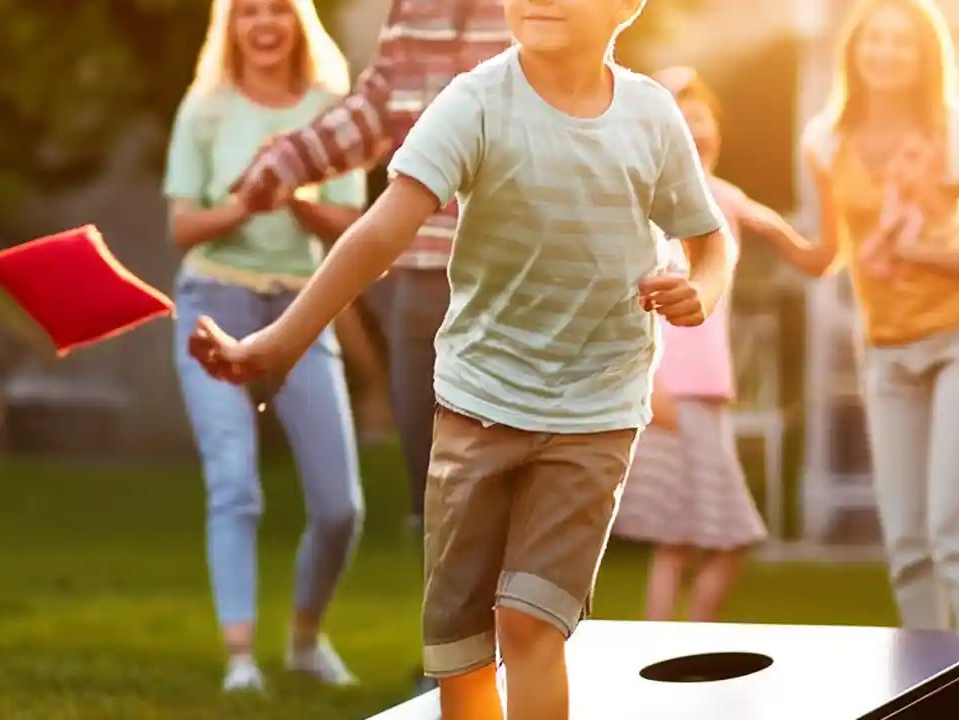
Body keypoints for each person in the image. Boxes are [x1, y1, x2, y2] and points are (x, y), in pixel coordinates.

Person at [189, 0, 739, 715]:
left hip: (596, 411)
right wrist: (280, 342)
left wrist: (701, 286)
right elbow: (378, 234)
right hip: (480, 406)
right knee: (463, 647)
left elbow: (710, 238)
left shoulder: (651, 115)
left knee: (532, 621)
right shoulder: (475, 101)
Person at [751, 0, 959, 634]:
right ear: (855, 51)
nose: (887, 53)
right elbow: (827, 254)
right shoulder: (827, 138)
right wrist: (761, 223)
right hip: (889, 349)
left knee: (956, 531)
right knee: (905, 542)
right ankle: (933, 694)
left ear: (927, 55)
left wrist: (915, 249)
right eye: (876, 40)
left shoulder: (958, 131)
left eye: (903, 42)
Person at [230, 0, 511, 534]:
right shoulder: (411, 9)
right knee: (433, 491)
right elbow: (375, 108)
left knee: (516, 488)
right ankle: (461, 609)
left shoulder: (538, 11)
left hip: (518, 278)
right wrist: (287, 163)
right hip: (426, 276)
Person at [163, 0, 365, 693]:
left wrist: (294, 191)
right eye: (248, 11)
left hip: (303, 312)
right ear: (233, 26)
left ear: (299, 20)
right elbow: (183, 228)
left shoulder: (333, 108)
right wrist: (248, 201)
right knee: (234, 485)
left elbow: (355, 224)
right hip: (212, 303)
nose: (265, 23)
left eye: (278, 8)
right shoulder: (206, 108)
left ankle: (307, 640)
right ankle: (241, 662)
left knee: (341, 506)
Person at [612, 67, 768, 624]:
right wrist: (650, 386)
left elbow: (788, 239)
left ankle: (672, 643)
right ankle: (683, 640)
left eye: (703, 119)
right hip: (675, 392)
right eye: (684, 119)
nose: (697, 128)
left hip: (701, 393)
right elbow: (633, 293)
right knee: (721, 536)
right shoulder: (652, 202)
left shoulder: (719, 197)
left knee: (678, 541)